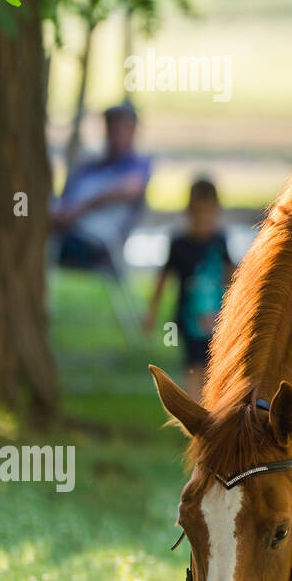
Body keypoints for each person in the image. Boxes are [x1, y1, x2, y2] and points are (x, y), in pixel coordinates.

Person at [144, 178, 236, 400]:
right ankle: (194, 411)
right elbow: (162, 279)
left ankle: (212, 410)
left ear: (216, 213)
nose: (203, 221)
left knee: (214, 366)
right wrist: (152, 313)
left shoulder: (219, 241)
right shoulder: (179, 244)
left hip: (217, 319)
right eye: (198, 214)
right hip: (188, 320)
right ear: (188, 213)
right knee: (194, 367)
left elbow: (231, 275)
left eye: (208, 214)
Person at [52, 102, 153, 269]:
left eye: (122, 128)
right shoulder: (91, 164)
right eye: (112, 128)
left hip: (94, 240)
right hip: (63, 225)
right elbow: (66, 196)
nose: (116, 135)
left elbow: (130, 188)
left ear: (133, 130)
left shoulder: (137, 165)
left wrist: (79, 210)